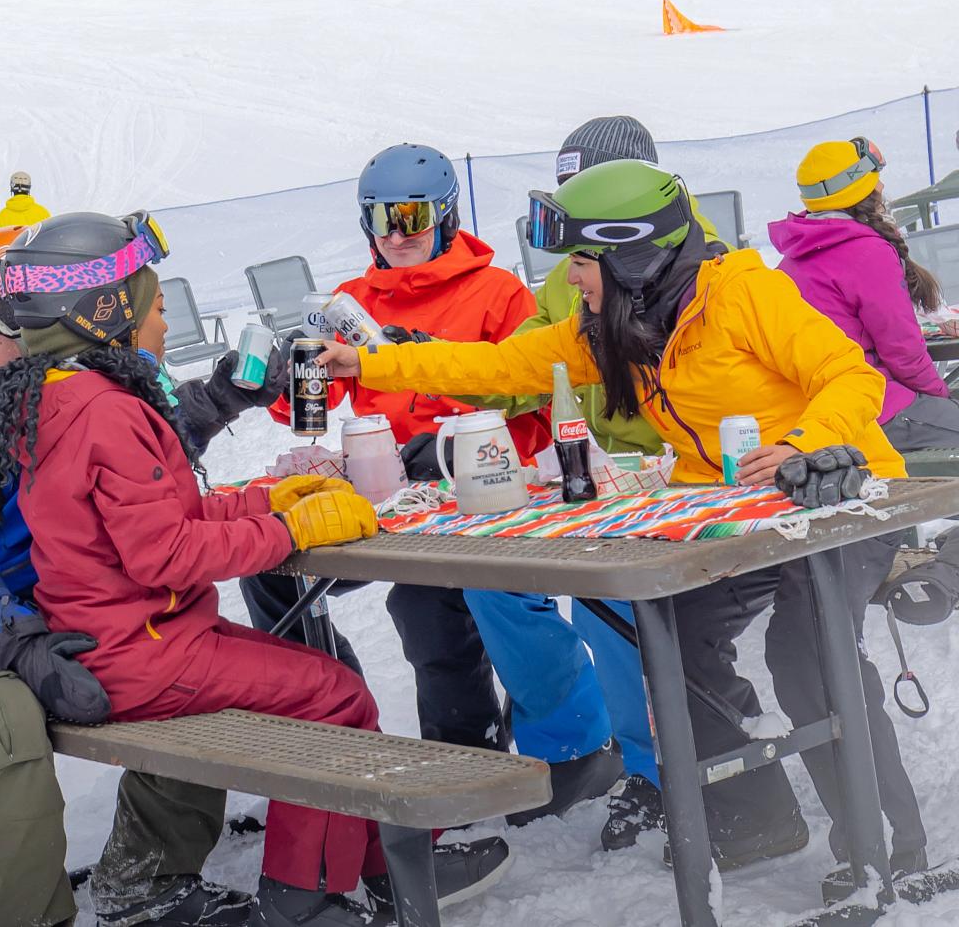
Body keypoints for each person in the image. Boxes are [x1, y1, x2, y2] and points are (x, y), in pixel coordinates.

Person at [317, 159, 923, 895]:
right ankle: (754, 815)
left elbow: (850, 374)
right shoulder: (615, 325)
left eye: (580, 260)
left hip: (839, 497)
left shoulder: (743, 291)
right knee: (673, 636)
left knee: (805, 654)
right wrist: (372, 360)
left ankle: (887, 849)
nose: (570, 278)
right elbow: (505, 364)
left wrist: (807, 445)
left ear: (631, 254)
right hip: (741, 515)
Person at [0, 212, 508, 927]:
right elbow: (163, 553)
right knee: (329, 695)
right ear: (103, 313)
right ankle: (304, 896)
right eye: (156, 308)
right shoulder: (105, 412)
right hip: (144, 651)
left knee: (336, 685)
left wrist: (271, 499)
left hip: (126, 638)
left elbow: (163, 515)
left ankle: (388, 865)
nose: (166, 328)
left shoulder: (61, 397)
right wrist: (290, 528)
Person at [246, 144, 626, 834]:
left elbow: (539, 407)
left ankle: (491, 755)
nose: (396, 233)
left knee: (427, 604)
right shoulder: (353, 304)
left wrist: (454, 448)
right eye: (381, 219)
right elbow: (306, 401)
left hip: (482, 493)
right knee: (272, 572)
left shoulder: (496, 294)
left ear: (445, 215)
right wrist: (289, 377)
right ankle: (332, 732)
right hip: (387, 491)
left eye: (412, 215)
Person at [0, 226, 251, 927]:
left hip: (67, 595)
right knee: (2, 721)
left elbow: (133, 466)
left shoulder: (49, 385)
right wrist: (14, 636)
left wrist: (218, 398)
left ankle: (148, 877)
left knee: (188, 673)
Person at [457, 117, 696, 850]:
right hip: (597, 474)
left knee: (605, 599)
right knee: (490, 578)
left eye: (586, 194)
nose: (572, 224)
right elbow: (528, 367)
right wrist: (456, 397)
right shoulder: (570, 277)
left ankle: (658, 769)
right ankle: (572, 740)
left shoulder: (698, 267)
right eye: (565, 196)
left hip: (678, 476)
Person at [774, 137, 959, 452]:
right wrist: (939, 396)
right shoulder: (866, 253)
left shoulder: (794, 256)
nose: (882, 187)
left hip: (819, 411)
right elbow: (902, 352)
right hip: (874, 407)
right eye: (875, 181)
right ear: (865, 193)